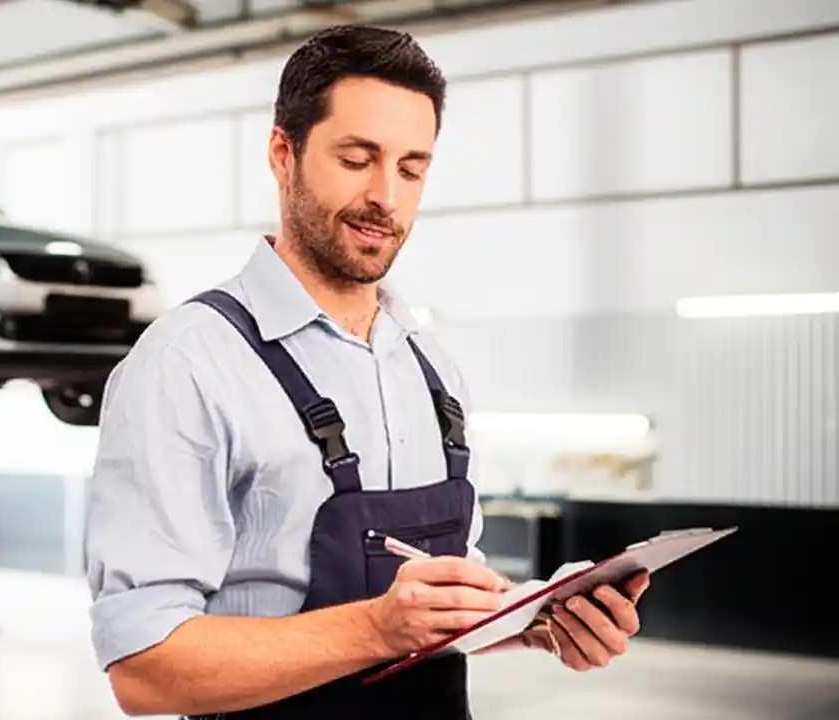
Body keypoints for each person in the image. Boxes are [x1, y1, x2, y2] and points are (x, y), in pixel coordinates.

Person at [83, 24, 650, 719]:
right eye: (358, 158)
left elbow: (430, 614)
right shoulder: (188, 363)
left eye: (412, 168)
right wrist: (376, 626)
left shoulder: (428, 366)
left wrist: (529, 619)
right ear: (282, 154)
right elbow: (145, 669)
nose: (386, 195)